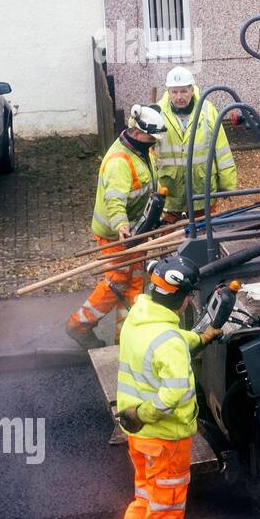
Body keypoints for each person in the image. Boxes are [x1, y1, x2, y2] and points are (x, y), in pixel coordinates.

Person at [94, 254, 220, 519]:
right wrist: (146, 412)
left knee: (145, 501)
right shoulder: (169, 341)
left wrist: (200, 338)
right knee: (166, 509)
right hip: (166, 441)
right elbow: (176, 392)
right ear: (184, 298)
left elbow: (167, 342)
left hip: (141, 440)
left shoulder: (139, 316)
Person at [65, 105, 167, 350]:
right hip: (116, 235)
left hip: (137, 232)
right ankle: (79, 325)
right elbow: (114, 200)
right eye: (152, 137)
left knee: (136, 283)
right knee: (117, 281)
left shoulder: (143, 151)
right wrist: (121, 225)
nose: (154, 142)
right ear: (138, 132)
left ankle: (126, 337)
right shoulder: (119, 162)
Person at [155, 66, 237, 225]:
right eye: (175, 92)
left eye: (184, 91)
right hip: (170, 194)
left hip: (202, 192)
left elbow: (222, 151)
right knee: (169, 240)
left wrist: (227, 186)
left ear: (192, 90)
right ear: (168, 92)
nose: (179, 97)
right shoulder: (157, 113)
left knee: (204, 236)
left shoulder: (207, 111)